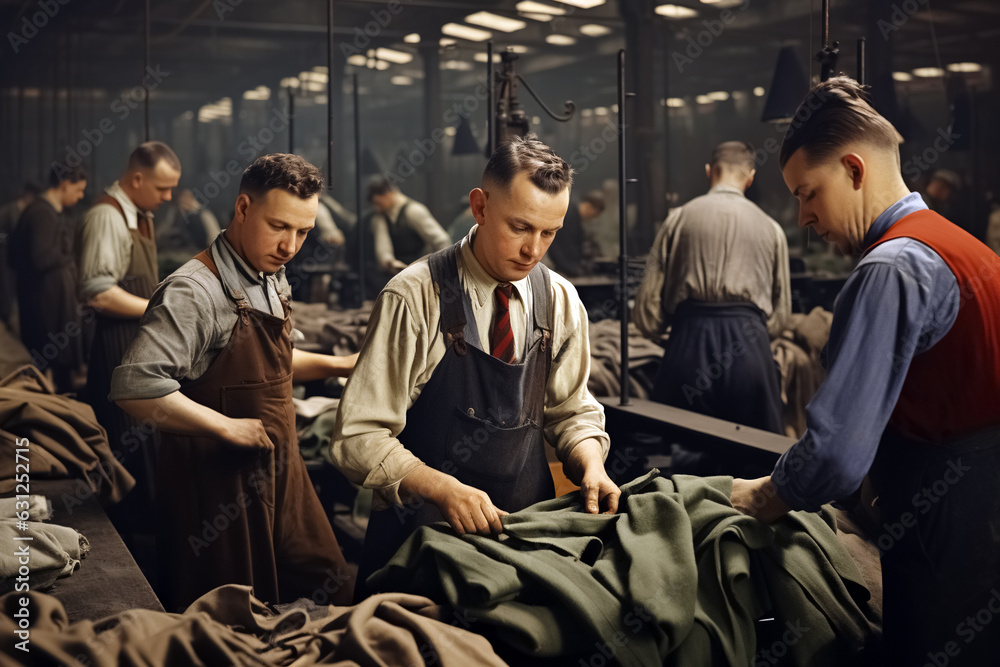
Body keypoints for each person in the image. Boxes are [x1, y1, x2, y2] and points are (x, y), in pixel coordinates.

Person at [730, 77, 1000, 666]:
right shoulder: (968, 249)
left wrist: (766, 495)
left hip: (941, 539)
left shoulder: (892, 268)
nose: (802, 217)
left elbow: (834, 456)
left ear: (854, 169)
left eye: (808, 194)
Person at [331, 136, 621, 596]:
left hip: (522, 547)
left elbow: (572, 410)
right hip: (421, 550)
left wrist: (591, 463)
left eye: (549, 233)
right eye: (520, 227)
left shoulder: (560, 299)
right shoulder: (414, 296)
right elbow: (357, 438)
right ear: (480, 207)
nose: (534, 250)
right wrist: (439, 488)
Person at [111, 153, 356, 611]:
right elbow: (135, 387)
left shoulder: (270, 275)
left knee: (328, 581)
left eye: (304, 232)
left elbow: (270, 365)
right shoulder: (193, 291)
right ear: (243, 208)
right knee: (233, 613)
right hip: (220, 486)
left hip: (283, 466)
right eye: (279, 226)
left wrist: (339, 364)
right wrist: (224, 426)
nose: (290, 246)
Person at [635, 141, 790, 436]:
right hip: (750, 347)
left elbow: (648, 307)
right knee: (755, 456)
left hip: (688, 345)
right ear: (750, 177)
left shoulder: (678, 219)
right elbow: (781, 314)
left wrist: (666, 330)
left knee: (678, 452)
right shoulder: (771, 228)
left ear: (710, 171)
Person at [77, 141, 181, 507]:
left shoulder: (138, 214)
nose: (169, 197)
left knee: (144, 448)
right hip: (115, 348)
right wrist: (161, 308)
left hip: (135, 346)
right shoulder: (107, 216)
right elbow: (99, 294)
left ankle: (144, 541)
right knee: (126, 448)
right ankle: (128, 547)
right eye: (162, 188)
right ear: (137, 178)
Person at [8, 166, 88, 392]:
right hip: (47, 306)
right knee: (52, 365)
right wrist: (71, 254)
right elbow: (40, 257)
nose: (80, 196)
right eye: (78, 190)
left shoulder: (39, 210)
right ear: (64, 186)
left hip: (45, 302)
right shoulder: (43, 213)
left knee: (52, 367)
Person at [368, 177, 450, 274]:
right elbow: (383, 243)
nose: (376, 207)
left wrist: (440, 268)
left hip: (423, 269)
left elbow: (442, 240)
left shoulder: (413, 211)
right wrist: (389, 262)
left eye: (378, 203)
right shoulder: (382, 216)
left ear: (388, 194)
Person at [0, 183, 41, 330]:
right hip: (4, 256)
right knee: (5, 286)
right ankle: (5, 315)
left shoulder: (27, 212)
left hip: (18, 258)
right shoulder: (8, 211)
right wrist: (5, 241)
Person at [546, 190, 605, 277]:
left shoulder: (573, 215)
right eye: (595, 215)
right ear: (591, 208)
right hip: (564, 270)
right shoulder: (569, 215)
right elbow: (558, 245)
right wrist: (571, 269)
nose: (592, 218)